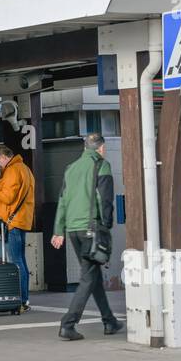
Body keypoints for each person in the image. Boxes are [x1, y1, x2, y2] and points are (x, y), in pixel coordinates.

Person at [52, 134, 124, 339]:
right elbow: (105, 198)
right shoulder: (101, 165)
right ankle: (68, 324)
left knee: (92, 275)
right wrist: (106, 226)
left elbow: (63, 201)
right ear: (101, 148)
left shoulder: (70, 168)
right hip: (91, 228)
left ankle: (109, 321)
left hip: (74, 229)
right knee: (88, 276)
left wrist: (58, 230)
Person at [0, 144, 36, 312]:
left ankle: (20, 300)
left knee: (16, 261)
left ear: (4, 157)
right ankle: (25, 299)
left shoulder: (13, 170)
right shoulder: (25, 168)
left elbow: (7, 197)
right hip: (22, 219)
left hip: (13, 222)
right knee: (21, 260)